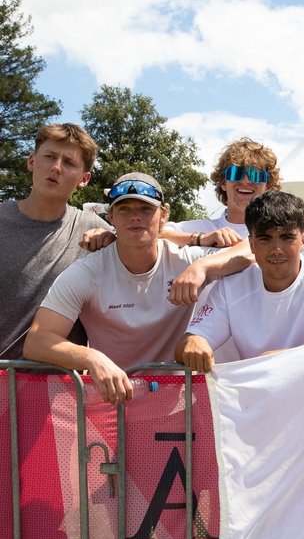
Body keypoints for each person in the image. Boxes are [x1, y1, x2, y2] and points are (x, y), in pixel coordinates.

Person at [23, 172, 252, 403]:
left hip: (177, 406)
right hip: (112, 402)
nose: (135, 217)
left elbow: (252, 249)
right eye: (124, 209)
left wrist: (202, 267)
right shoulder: (87, 272)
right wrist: (92, 359)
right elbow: (37, 341)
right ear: (111, 216)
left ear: (164, 215)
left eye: (145, 209)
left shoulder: (185, 260)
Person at [175, 191, 304, 371]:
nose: (277, 249)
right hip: (253, 402)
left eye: (287, 237)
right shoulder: (231, 286)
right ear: (252, 244)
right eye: (265, 239)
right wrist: (194, 341)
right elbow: (186, 344)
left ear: (303, 240)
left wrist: (278, 360)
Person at [0, 123, 111, 360]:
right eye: (49, 157)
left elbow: (147, 238)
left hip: (57, 390)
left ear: (85, 178)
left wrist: (115, 237)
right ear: (32, 161)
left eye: (69, 163)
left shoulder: (97, 231)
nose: (56, 168)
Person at [161, 137, 304, 248]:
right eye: (236, 173)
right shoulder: (201, 229)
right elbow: (154, 234)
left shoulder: (289, 231)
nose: (246, 181)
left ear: (268, 186)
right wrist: (201, 239)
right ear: (223, 183)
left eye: (255, 175)